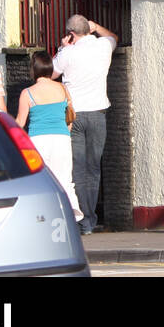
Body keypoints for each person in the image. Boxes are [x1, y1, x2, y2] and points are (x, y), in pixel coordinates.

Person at [52, 15, 118, 235]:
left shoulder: (67, 53)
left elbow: (50, 74)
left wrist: (62, 48)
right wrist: (97, 27)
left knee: (77, 169)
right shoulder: (103, 46)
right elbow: (113, 37)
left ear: (71, 34)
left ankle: (84, 221)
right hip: (98, 113)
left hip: (74, 115)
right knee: (93, 168)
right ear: (88, 29)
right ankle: (90, 218)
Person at [16, 51, 83, 223]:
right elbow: (70, 117)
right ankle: (69, 216)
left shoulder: (27, 93)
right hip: (61, 139)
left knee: (40, 180)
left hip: (38, 140)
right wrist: (65, 132)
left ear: (34, 69)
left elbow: (20, 123)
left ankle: (42, 218)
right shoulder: (62, 88)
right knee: (64, 179)